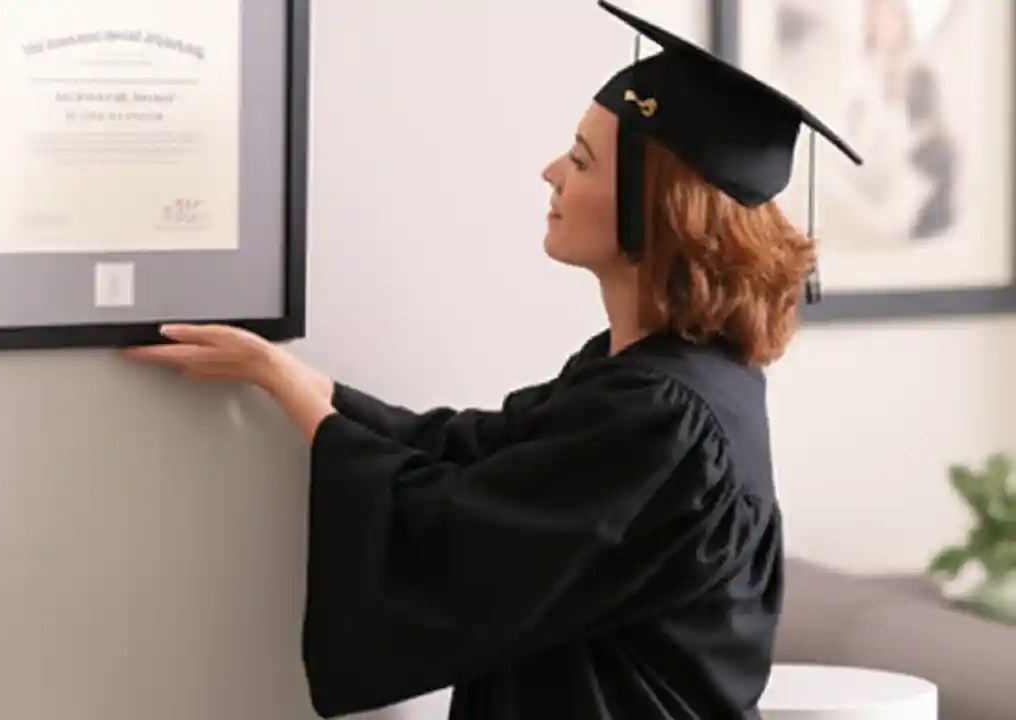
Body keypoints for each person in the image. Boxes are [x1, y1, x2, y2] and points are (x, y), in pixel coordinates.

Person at [123, 2, 862, 718]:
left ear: (656, 206)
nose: (551, 172)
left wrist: (290, 392)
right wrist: (307, 384)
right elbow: (482, 451)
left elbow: (464, 536)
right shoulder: (664, 377)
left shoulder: (662, 415)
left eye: (581, 160)